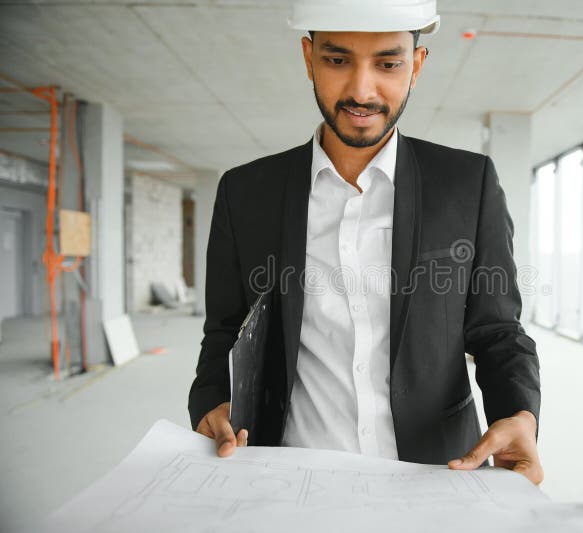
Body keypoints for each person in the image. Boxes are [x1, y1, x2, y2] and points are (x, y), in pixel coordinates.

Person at [188, 0, 544, 486]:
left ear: (415, 66)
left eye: (388, 63)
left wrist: (519, 413)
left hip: (437, 474)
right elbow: (224, 330)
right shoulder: (245, 193)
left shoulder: (466, 184)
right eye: (337, 60)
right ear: (308, 58)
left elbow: (498, 329)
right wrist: (212, 398)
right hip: (290, 478)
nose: (362, 89)